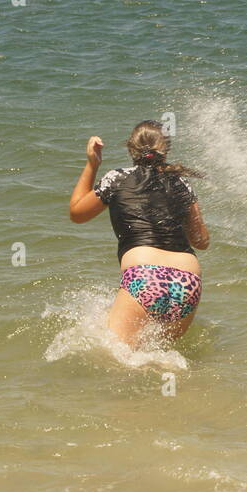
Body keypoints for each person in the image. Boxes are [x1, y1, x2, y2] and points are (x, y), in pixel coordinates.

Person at [68, 121, 209, 348]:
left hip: (145, 275)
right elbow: (201, 241)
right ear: (165, 150)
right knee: (163, 354)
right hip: (188, 280)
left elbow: (77, 213)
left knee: (120, 357)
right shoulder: (182, 182)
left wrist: (92, 164)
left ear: (130, 149)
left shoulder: (117, 178)